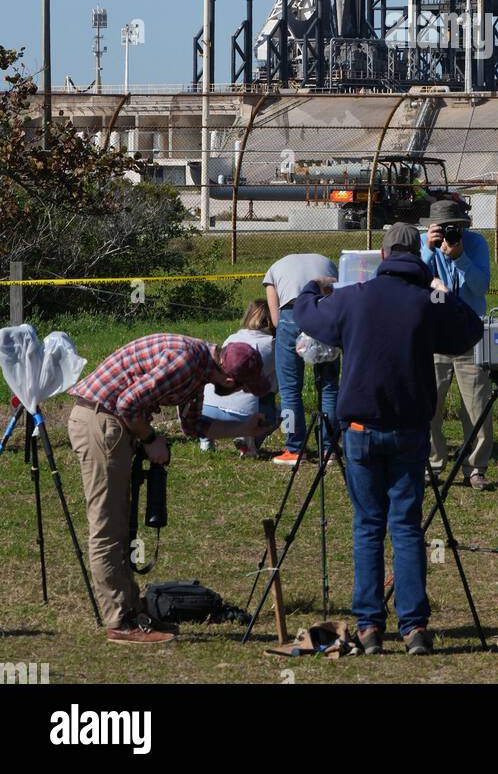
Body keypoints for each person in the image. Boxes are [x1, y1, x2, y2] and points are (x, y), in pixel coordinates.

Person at [292, 222, 483, 657]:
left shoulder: (354, 298)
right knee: (407, 527)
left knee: (367, 527)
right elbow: (470, 327)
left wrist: (312, 288)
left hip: (360, 430)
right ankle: (415, 627)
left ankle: (369, 626)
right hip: (410, 431)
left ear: (381, 255)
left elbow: (307, 317)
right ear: (416, 254)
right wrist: (441, 288)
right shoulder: (426, 300)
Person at [67, 333, 270, 645]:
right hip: (101, 421)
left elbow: (193, 426)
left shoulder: (201, 366)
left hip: (112, 422)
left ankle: (134, 612)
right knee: (108, 527)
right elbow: (128, 403)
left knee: (121, 526)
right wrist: (151, 440)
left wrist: (244, 428)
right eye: (241, 385)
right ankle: (121, 622)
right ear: (228, 376)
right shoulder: (185, 362)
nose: (241, 391)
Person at [419, 199, 492, 490]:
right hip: (434, 335)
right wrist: (428, 249)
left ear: (464, 227)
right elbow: (413, 281)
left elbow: (480, 287)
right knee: (429, 404)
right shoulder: (425, 246)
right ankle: (433, 463)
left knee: (476, 405)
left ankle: (475, 468)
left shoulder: (475, 244)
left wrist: (460, 256)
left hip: (469, 334)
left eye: (456, 229)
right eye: (444, 230)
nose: (450, 234)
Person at [262, 252, 338, 466]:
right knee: (329, 387)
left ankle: (294, 448)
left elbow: (276, 319)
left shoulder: (273, 270)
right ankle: (330, 449)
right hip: (325, 315)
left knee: (289, 389)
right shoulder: (327, 262)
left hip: (291, 315)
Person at [200, 300, 279, 457]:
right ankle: (249, 441)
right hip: (244, 413)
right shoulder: (273, 344)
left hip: (207, 409)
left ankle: (206, 438)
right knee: (280, 412)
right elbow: (271, 389)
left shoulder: (232, 338)